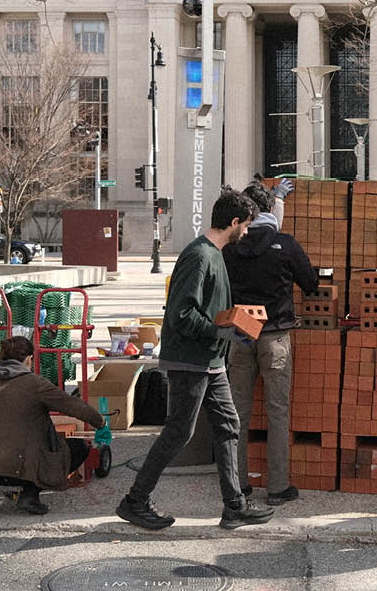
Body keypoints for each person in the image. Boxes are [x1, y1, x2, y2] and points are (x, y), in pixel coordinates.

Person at [115, 188, 274, 530]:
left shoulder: (215, 254)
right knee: (178, 433)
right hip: (191, 361)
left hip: (210, 361)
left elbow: (205, 310)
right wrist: (222, 332)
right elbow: (180, 314)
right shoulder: (199, 256)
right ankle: (134, 501)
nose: (245, 233)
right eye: (244, 226)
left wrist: (234, 321)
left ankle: (234, 507)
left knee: (229, 425)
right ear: (233, 222)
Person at [223, 180, 319, 506]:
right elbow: (310, 283)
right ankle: (278, 488)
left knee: (237, 412)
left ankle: (237, 486)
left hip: (240, 332)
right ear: (268, 210)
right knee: (277, 412)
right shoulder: (285, 244)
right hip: (275, 333)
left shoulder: (230, 248)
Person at [0, 335, 104, 516]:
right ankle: (30, 494)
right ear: (29, 359)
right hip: (22, 468)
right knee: (78, 447)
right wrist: (100, 421)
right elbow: (73, 405)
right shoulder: (36, 383)